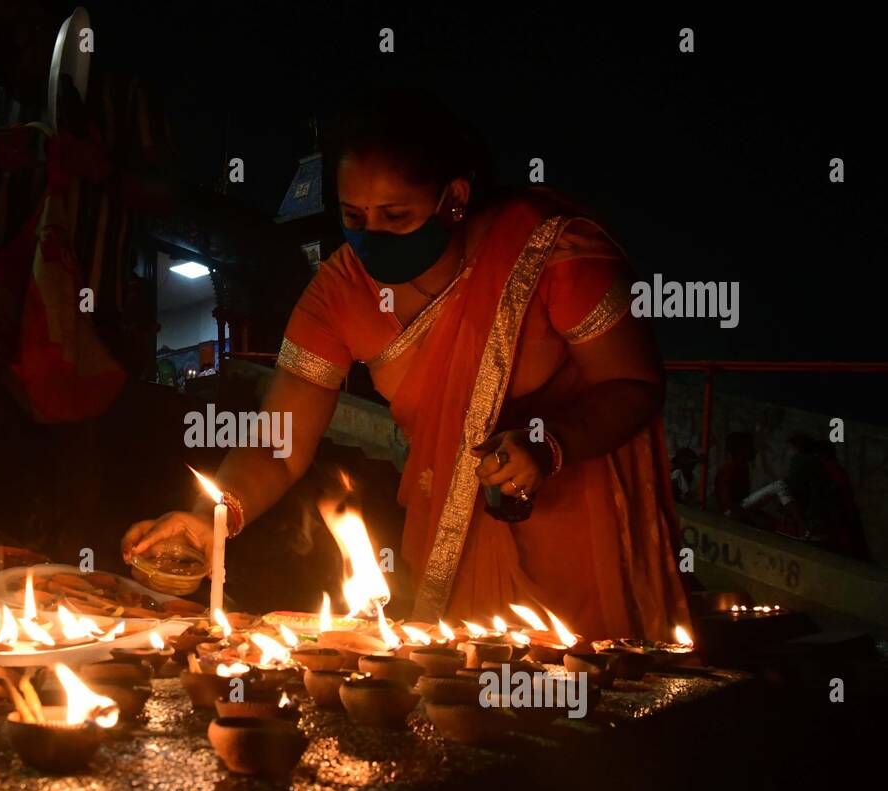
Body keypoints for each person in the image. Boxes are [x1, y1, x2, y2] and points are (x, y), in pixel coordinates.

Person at [121, 89, 689, 644]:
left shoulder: (547, 253)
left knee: (578, 699)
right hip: (450, 529)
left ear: (455, 198)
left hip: (574, 529)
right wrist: (212, 518)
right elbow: (279, 444)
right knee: (465, 697)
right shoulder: (338, 293)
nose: (373, 237)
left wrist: (550, 446)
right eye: (353, 217)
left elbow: (634, 384)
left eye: (396, 215)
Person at [715, 431, 756, 515]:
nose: (754, 450)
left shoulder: (743, 467)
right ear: (741, 449)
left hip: (740, 509)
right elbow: (725, 501)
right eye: (750, 446)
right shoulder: (730, 468)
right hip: (731, 513)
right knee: (778, 486)